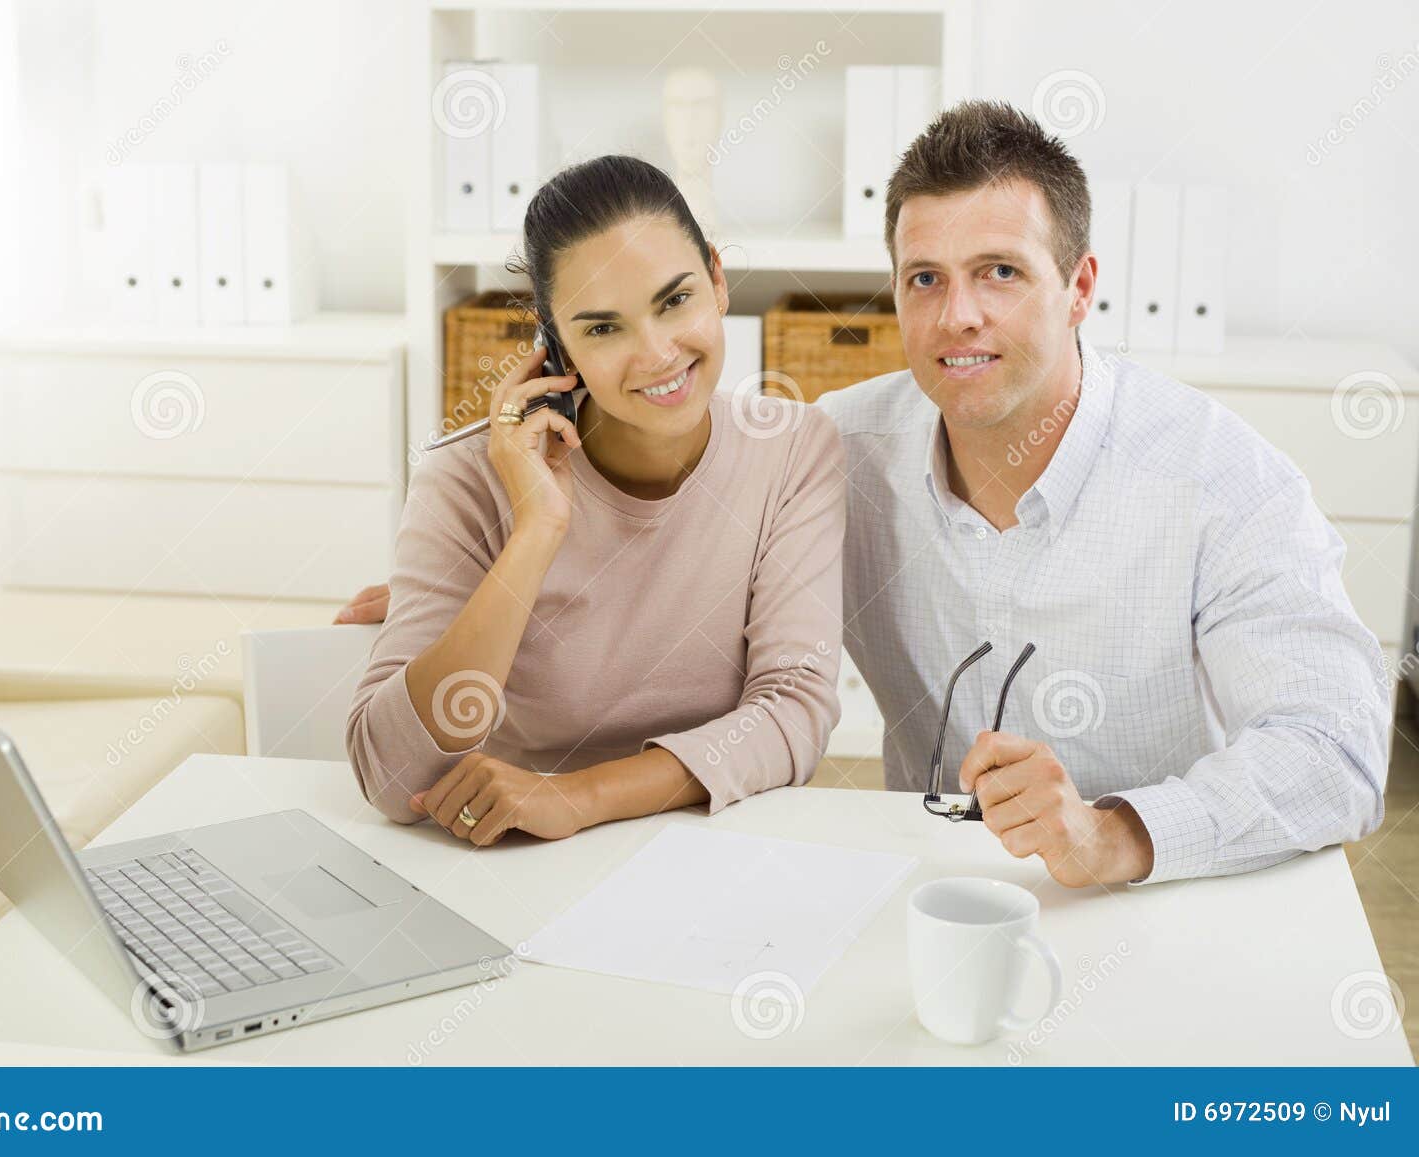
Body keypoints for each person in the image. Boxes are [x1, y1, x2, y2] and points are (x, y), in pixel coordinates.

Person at [343, 104, 1391, 888]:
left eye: (1001, 273)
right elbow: (674, 533)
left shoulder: (1221, 478)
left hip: (1161, 894)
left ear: (1079, 287)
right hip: (923, 888)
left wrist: (1111, 832)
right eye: (923, 278)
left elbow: (1338, 752)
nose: (957, 317)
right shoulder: (836, 444)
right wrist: (484, 577)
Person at [344, 155, 846, 847]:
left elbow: (794, 709)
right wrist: (535, 531)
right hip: (516, 861)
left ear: (718, 281)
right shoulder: (465, 478)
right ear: (556, 350)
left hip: (711, 846)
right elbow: (394, 778)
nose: (658, 354)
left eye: (674, 301)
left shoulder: (793, 451)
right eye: (604, 328)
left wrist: (580, 796)